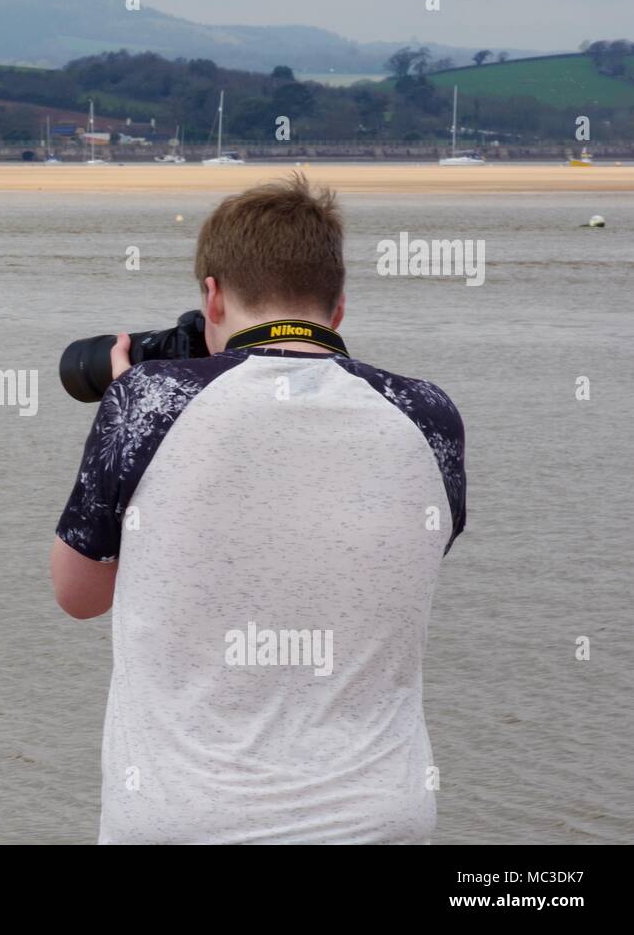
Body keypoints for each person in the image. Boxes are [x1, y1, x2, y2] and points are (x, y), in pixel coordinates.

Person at [49, 173, 466, 844]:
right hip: (378, 818)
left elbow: (79, 593)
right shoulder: (429, 415)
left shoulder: (147, 402)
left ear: (212, 295)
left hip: (182, 816)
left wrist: (137, 410)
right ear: (338, 307)